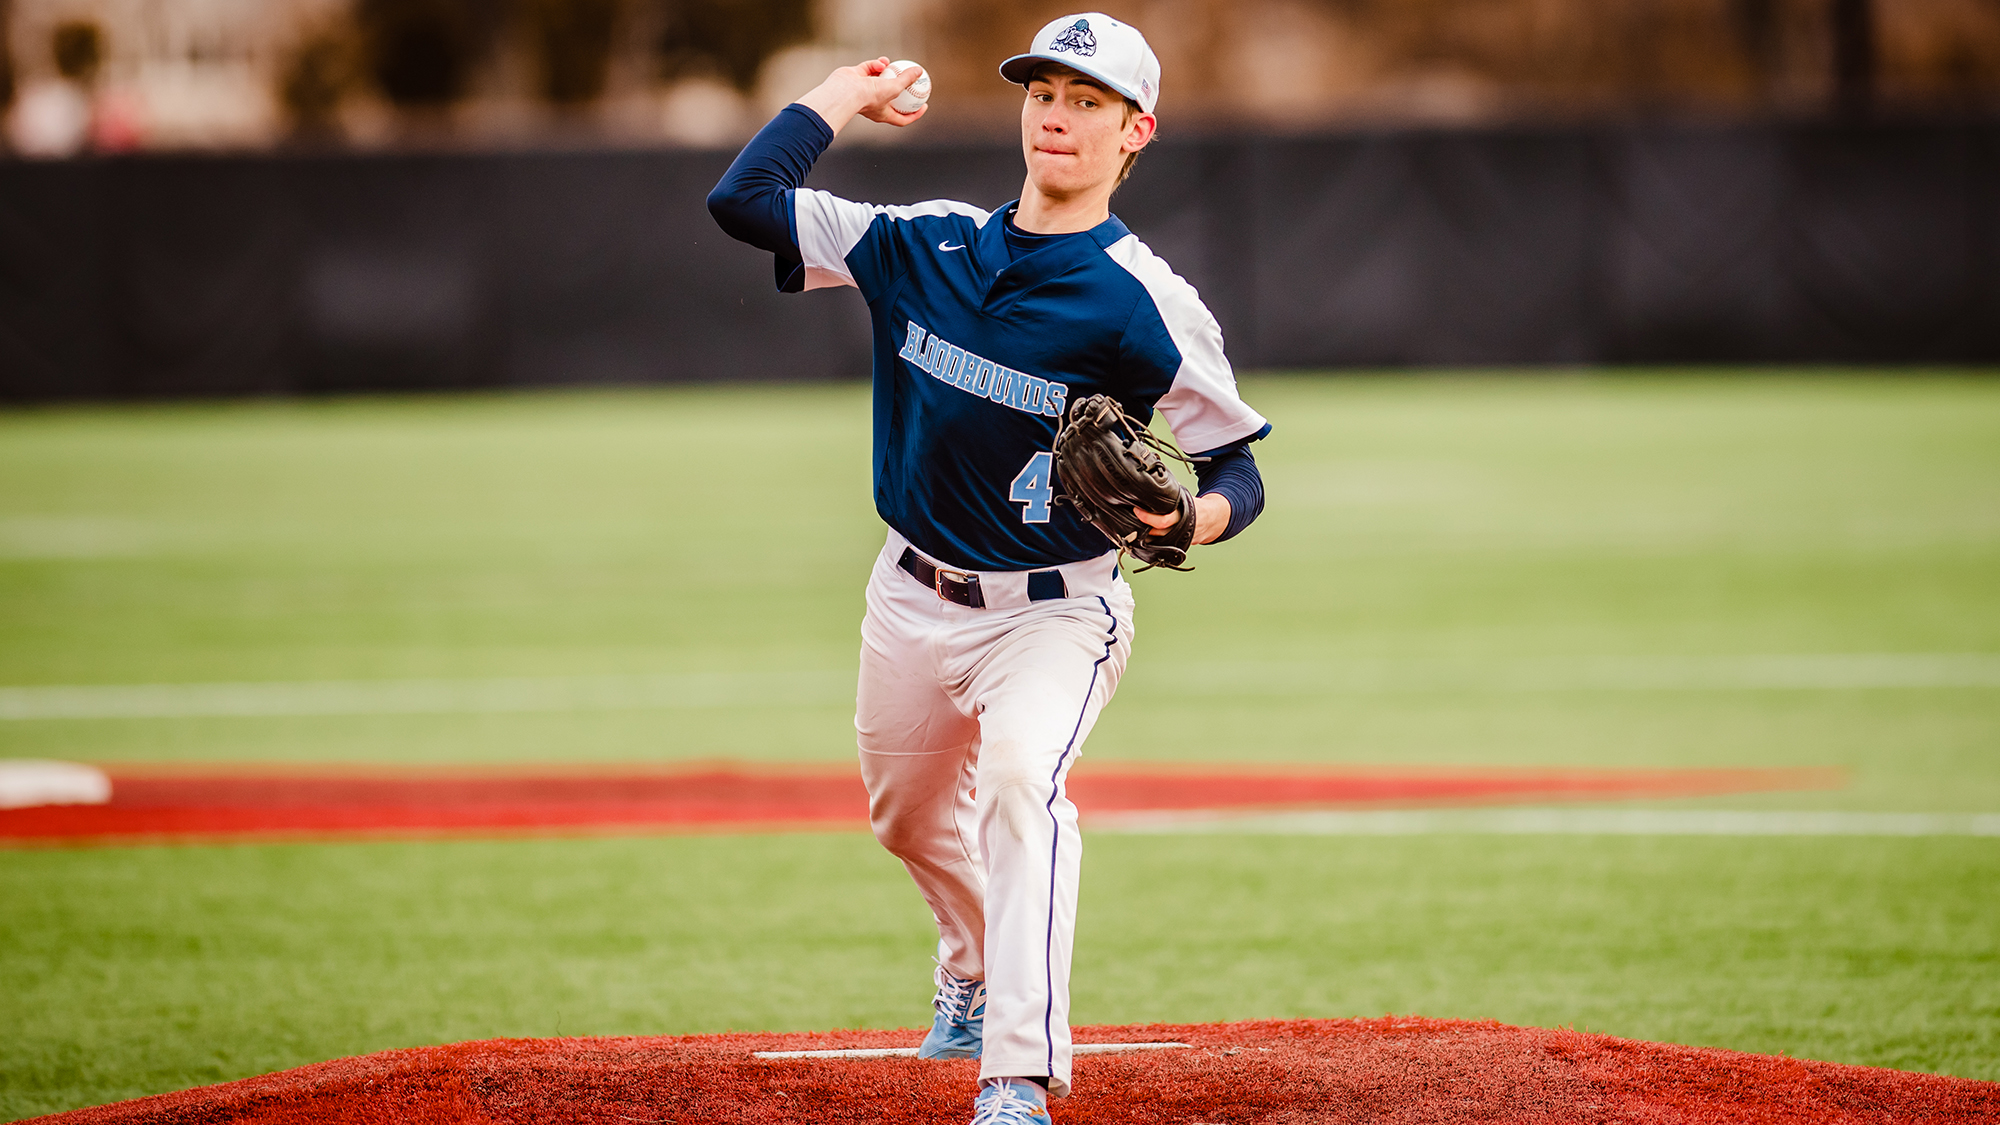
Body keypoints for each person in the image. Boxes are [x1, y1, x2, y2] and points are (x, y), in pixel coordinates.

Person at [707, 13, 1270, 1123]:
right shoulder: (921, 241)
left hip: (1053, 617)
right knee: (906, 820)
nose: (1056, 115)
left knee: (1020, 784)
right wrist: (841, 91)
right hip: (907, 591)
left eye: (1087, 102)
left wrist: (1185, 519)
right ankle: (968, 971)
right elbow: (742, 201)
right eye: (1042, 93)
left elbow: (1237, 473)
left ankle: (1015, 1076)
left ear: (1133, 133)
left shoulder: (1146, 304)